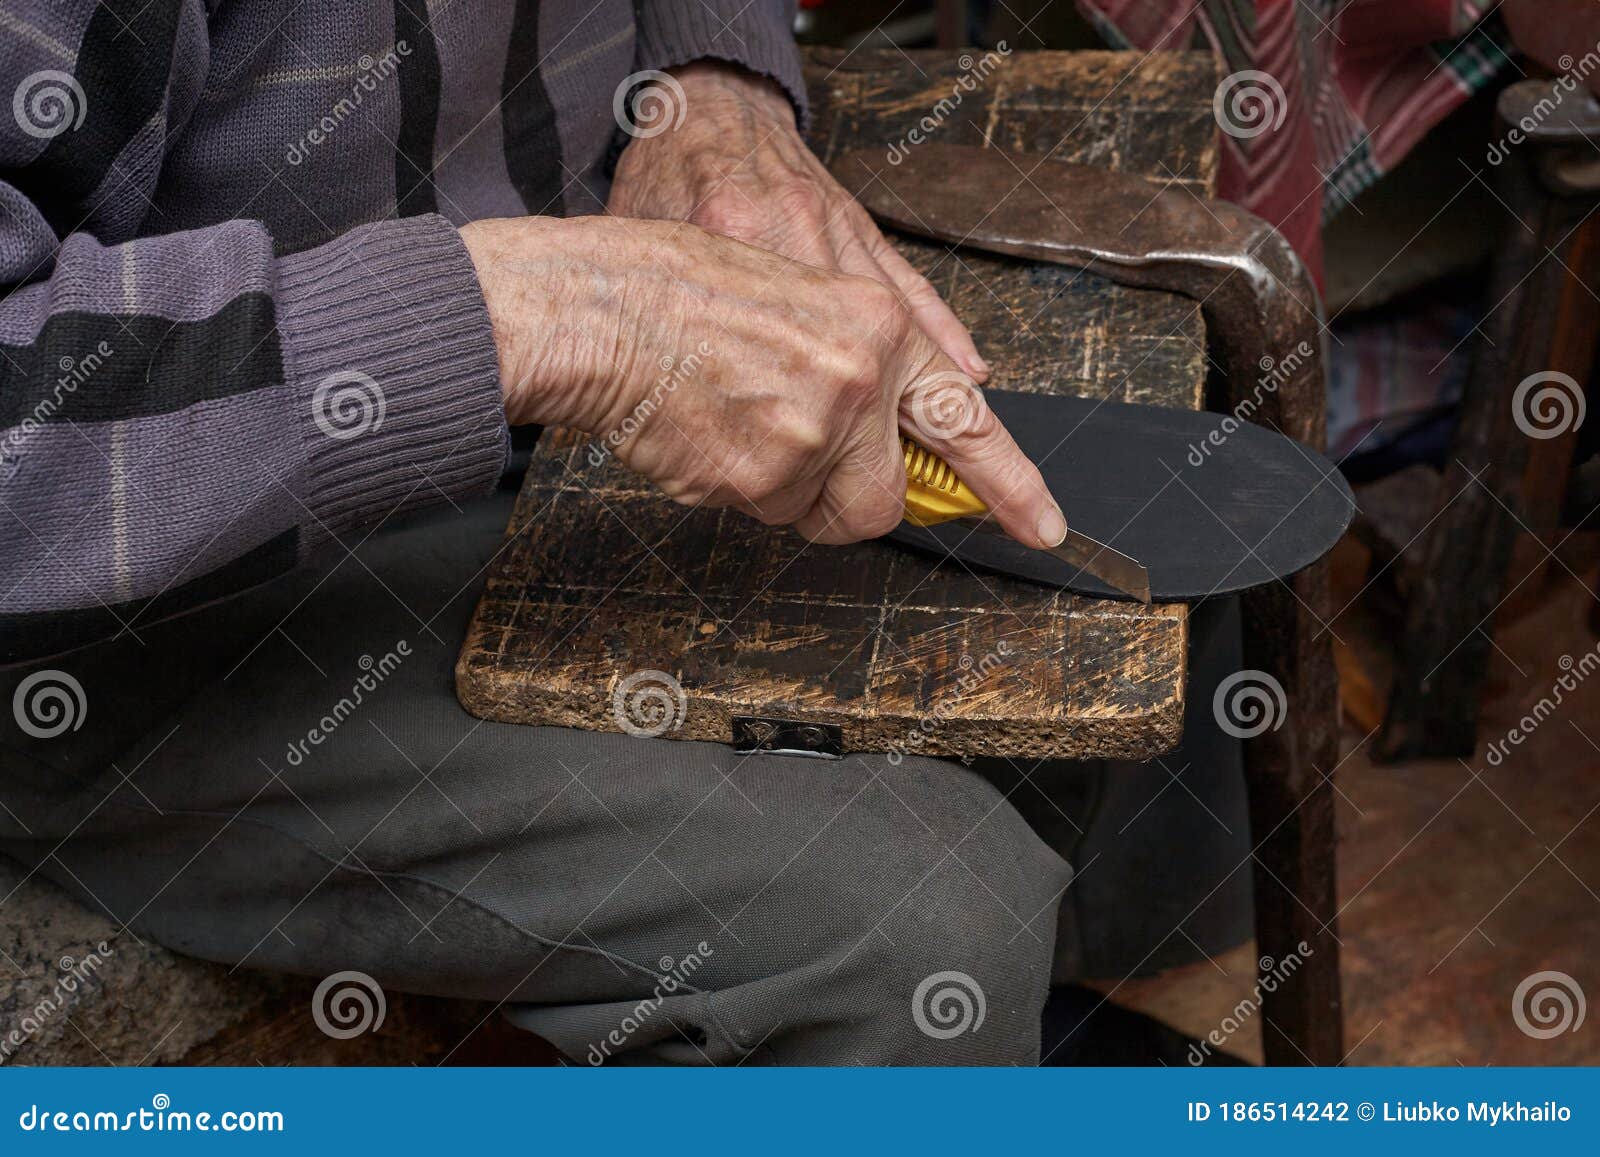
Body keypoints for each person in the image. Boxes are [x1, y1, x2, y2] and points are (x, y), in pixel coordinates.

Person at [0, 1, 1250, 1064]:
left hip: (567, 326)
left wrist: (715, 80)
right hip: (147, 563)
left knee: (1103, 538)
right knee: (914, 929)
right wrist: (542, 319)